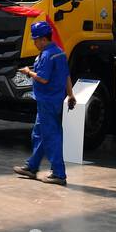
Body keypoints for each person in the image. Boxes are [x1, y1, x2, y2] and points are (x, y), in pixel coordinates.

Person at [13, 20, 76, 186]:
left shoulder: (47, 55)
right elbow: (66, 76)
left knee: (51, 136)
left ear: (43, 39)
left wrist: (28, 72)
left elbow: (43, 78)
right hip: (53, 100)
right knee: (39, 134)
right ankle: (31, 167)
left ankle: (59, 174)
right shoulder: (60, 52)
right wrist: (70, 95)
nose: (34, 43)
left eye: (36, 40)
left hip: (47, 101)